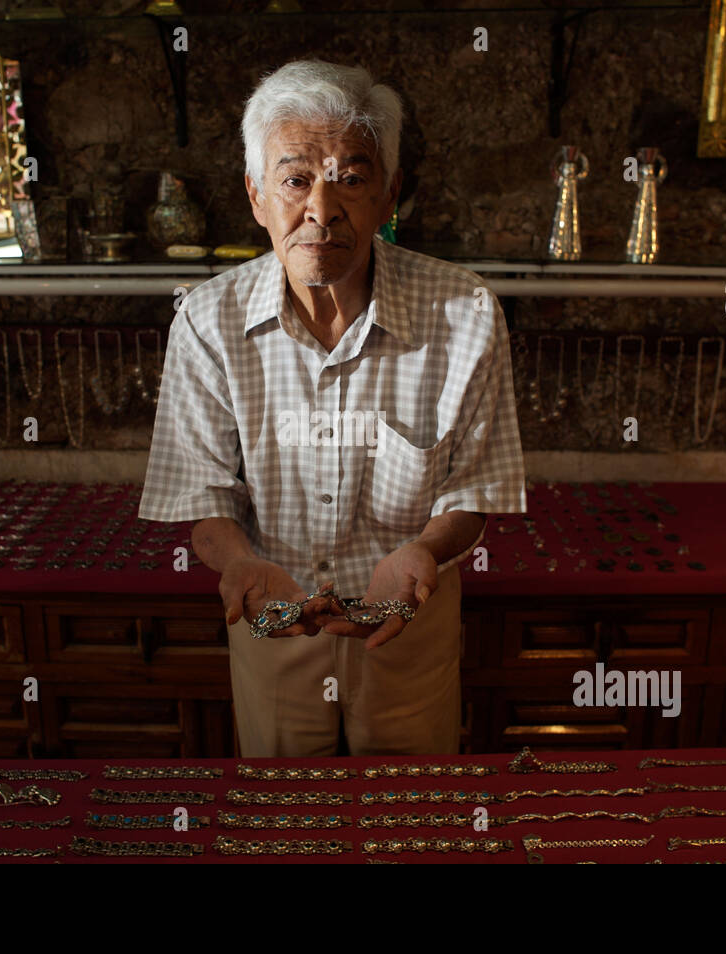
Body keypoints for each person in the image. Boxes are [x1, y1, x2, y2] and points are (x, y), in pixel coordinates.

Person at [138, 59, 525, 757]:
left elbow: (477, 487)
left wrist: (423, 550)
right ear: (256, 196)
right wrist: (239, 563)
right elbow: (201, 494)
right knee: (285, 826)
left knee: (411, 823)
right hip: (272, 617)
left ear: (390, 194)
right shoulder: (206, 319)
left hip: (406, 625)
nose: (322, 207)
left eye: (351, 177)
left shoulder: (464, 313)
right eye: (295, 179)